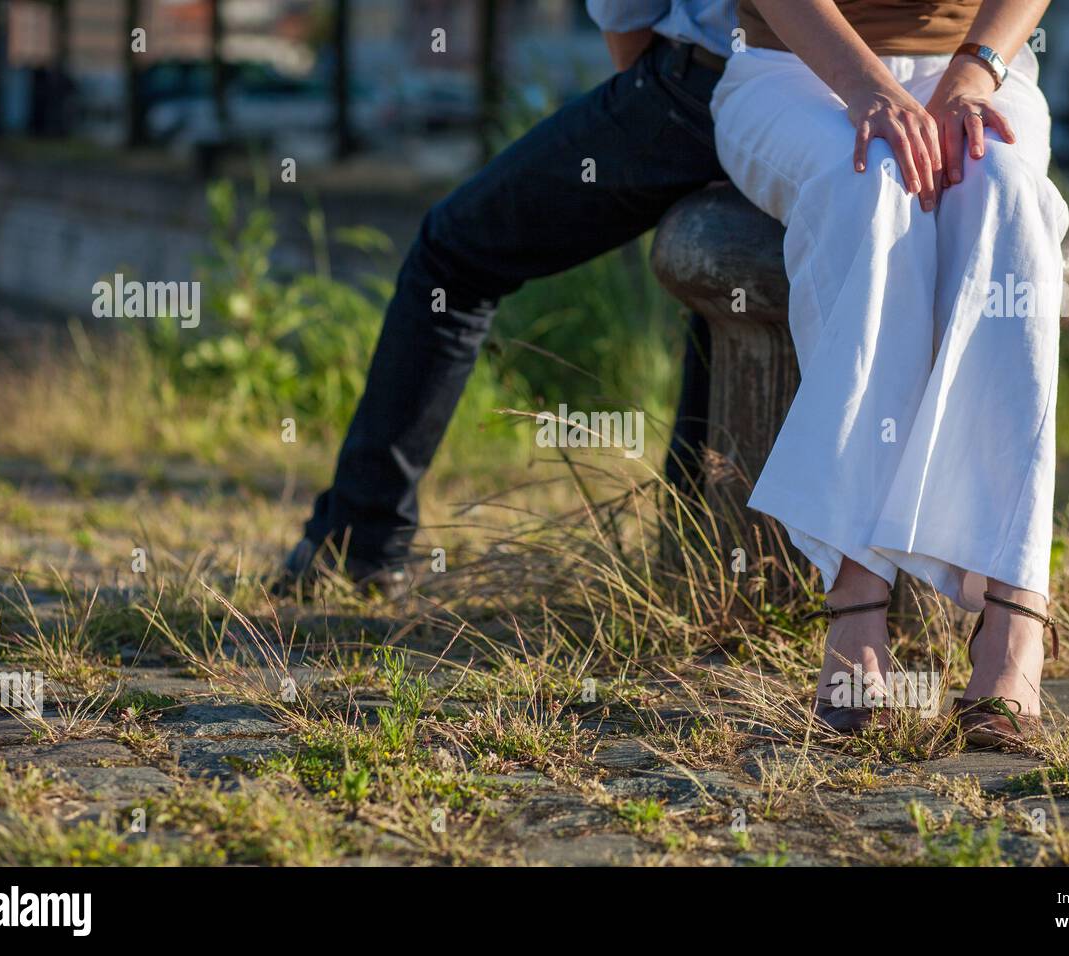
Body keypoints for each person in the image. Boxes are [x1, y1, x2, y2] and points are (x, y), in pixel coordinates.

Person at [276, 2, 737, 598]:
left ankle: (356, 542)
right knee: (723, 293)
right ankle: (698, 551)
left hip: (700, 88)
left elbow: (629, 17)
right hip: (836, 103)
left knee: (451, 257)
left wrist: (650, 88)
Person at [712, 0, 1065, 746]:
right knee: (871, 182)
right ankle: (856, 606)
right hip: (795, 71)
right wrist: (867, 86)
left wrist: (975, 70)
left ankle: (1015, 607)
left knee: (1003, 190)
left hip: (982, 61)